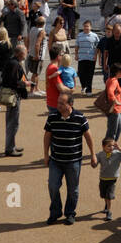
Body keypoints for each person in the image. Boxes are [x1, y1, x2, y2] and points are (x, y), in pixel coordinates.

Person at [43, 91, 97, 226]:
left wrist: (93, 154)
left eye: (62, 103)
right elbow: (47, 136)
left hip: (73, 161)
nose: (58, 105)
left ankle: (70, 213)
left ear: (70, 104)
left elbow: (88, 136)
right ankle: (55, 212)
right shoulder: (52, 117)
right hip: (55, 160)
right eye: (58, 102)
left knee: (73, 189)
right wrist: (45, 155)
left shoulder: (80, 117)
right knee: (53, 186)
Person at [1, 43, 32, 156]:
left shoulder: (12, 62)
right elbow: (13, 82)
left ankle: (11, 145)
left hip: (12, 95)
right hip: (13, 96)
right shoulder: (14, 64)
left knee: (13, 122)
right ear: (20, 53)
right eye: (25, 52)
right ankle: (9, 148)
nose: (26, 54)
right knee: (13, 123)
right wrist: (25, 83)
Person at [97, 137, 121, 222]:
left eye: (113, 145)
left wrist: (119, 147)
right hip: (103, 178)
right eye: (109, 146)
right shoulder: (100, 154)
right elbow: (95, 162)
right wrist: (93, 162)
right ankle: (106, 207)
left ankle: (109, 212)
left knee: (108, 196)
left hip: (112, 179)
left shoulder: (117, 153)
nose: (111, 147)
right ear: (103, 146)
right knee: (104, 194)